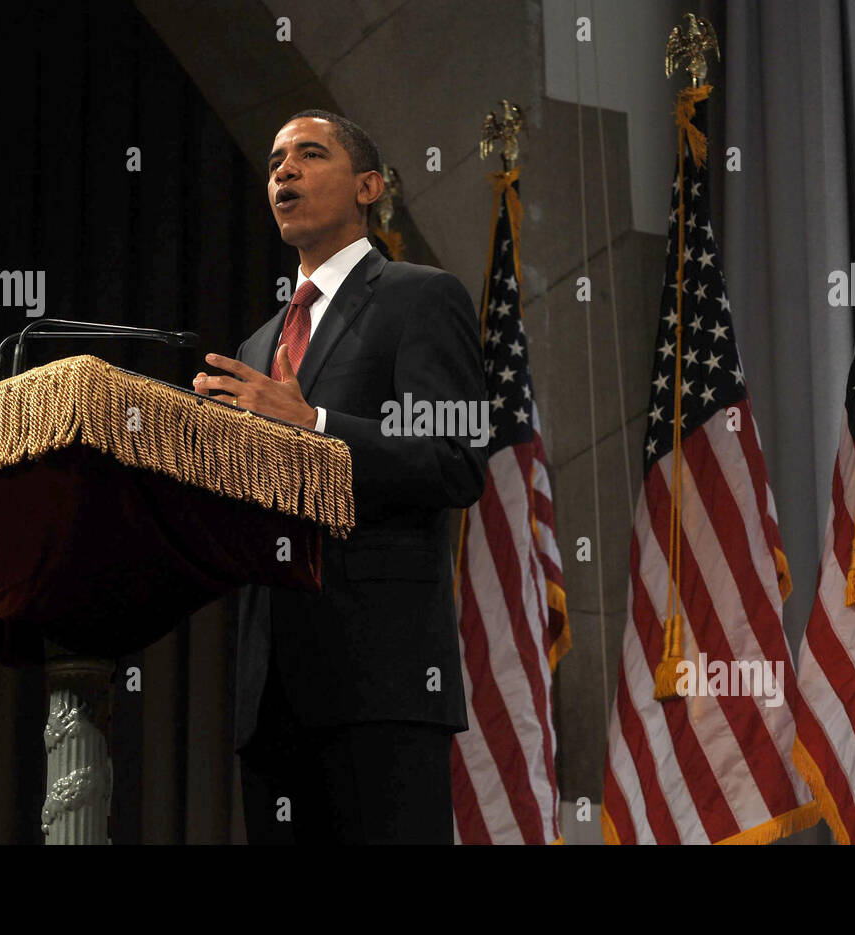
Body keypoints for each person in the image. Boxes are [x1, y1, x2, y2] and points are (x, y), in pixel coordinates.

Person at [193, 109, 488, 843]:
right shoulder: (258, 345)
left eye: (308, 155)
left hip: (380, 684)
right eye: (273, 162)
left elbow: (455, 456)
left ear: (368, 186)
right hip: (272, 698)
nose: (283, 171)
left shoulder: (420, 296)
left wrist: (316, 425)